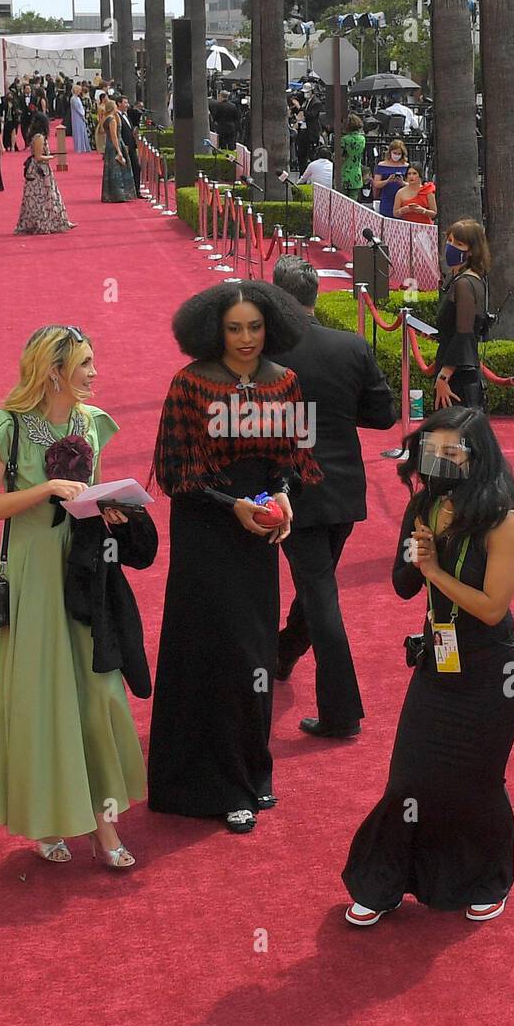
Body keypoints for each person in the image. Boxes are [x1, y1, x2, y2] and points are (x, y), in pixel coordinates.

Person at [341, 407, 514, 926]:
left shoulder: (502, 517)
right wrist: (417, 549)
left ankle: (488, 879)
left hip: (493, 674)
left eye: (453, 452)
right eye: (433, 451)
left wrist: (435, 566)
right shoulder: (425, 504)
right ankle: (380, 882)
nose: (441, 461)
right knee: (408, 779)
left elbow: (492, 608)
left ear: (477, 456)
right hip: (437, 666)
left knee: (476, 782)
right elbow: (404, 585)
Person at [147, 282, 323, 833]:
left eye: (254, 327)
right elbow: (175, 470)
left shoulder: (287, 383)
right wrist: (234, 506)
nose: (246, 339)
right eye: (234, 328)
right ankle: (212, 786)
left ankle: (252, 769)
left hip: (260, 536)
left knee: (253, 655)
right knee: (211, 651)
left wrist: (285, 495)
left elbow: (297, 455)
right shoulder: (190, 384)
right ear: (213, 331)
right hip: (206, 531)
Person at [0, 325, 147, 869]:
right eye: (85, 364)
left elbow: (87, 496)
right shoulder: (6, 427)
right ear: (53, 371)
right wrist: (45, 489)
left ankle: (105, 827)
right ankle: (48, 820)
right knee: (44, 699)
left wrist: (108, 505)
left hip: (84, 569)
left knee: (100, 693)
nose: (95, 373)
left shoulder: (92, 424)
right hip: (32, 577)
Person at [272, 257, 396, 737]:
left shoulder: (261, 353)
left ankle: (342, 711)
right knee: (317, 584)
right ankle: (284, 652)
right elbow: (383, 416)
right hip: (343, 489)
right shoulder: (351, 345)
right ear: (315, 296)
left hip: (290, 490)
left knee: (320, 593)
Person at [433, 219, 491, 412]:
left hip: (457, 377)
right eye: (449, 240)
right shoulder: (462, 279)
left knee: (453, 437)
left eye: (458, 244)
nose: (450, 247)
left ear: (472, 250)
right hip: (456, 369)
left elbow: (464, 332)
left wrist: (444, 376)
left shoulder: (465, 283)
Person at [15, 115, 76, 234]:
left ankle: (57, 221)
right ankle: (46, 222)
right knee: (43, 196)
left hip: (41, 169)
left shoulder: (37, 136)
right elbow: (38, 157)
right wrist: (52, 156)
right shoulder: (39, 137)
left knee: (47, 196)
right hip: (40, 170)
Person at [100, 98, 135, 203]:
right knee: (118, 170)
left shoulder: (106, 118)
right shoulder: (112, 119)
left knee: (111, 170)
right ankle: (119, 194)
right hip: (116, 145)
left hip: (109, 146)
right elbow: (114, 136)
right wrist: (119, 151)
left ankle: (111, 194)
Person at [372, 140, 409, 218]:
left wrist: (402, 183)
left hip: (402, 199)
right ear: (390, 152)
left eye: (399, 154)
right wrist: (387, 181)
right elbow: (376, 184)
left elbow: (412, 184)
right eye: (395, 153)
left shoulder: (406, 166)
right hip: (386, 198)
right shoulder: (382, 165)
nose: (396, 155)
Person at [118, 97, 142, 197]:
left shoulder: (126, 115)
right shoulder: (117, 116)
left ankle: (136, 191)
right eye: (125, 103)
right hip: (125, 146)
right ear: (118, 103)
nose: (127, 105)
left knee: (136, 167)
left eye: (128, 102)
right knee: (131, 168)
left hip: (131, 146)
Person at [341, 113, 366, 202]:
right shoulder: (362, 139)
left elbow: (339, 156)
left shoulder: (344, 139)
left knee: (342, 202)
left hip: (344, 172)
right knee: (353, 202)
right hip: (356, 172)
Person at [69, 84, 92, 154]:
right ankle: (79, 147)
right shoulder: (73, 99)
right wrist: (82, 115)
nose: (80, 91)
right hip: (77, 116)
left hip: (80, 116)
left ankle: (83, 147)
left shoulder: (77, 98)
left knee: (82, 131)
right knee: (78, 131)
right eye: (79, 90)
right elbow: (78, 109)